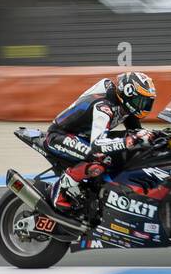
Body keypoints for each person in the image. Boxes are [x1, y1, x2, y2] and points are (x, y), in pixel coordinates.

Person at [43, 71, 157, 211]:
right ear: (128, 94)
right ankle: (58, 190)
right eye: (140, 101)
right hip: (59, 136)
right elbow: (96, 145)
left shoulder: (124, 104)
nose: (143, 106)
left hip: (84, 136)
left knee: (133, 146)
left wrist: (156, 136)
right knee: (98, 160)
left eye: (147, 102)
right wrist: (127, 141)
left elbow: (136, 133)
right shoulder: (103, 107)